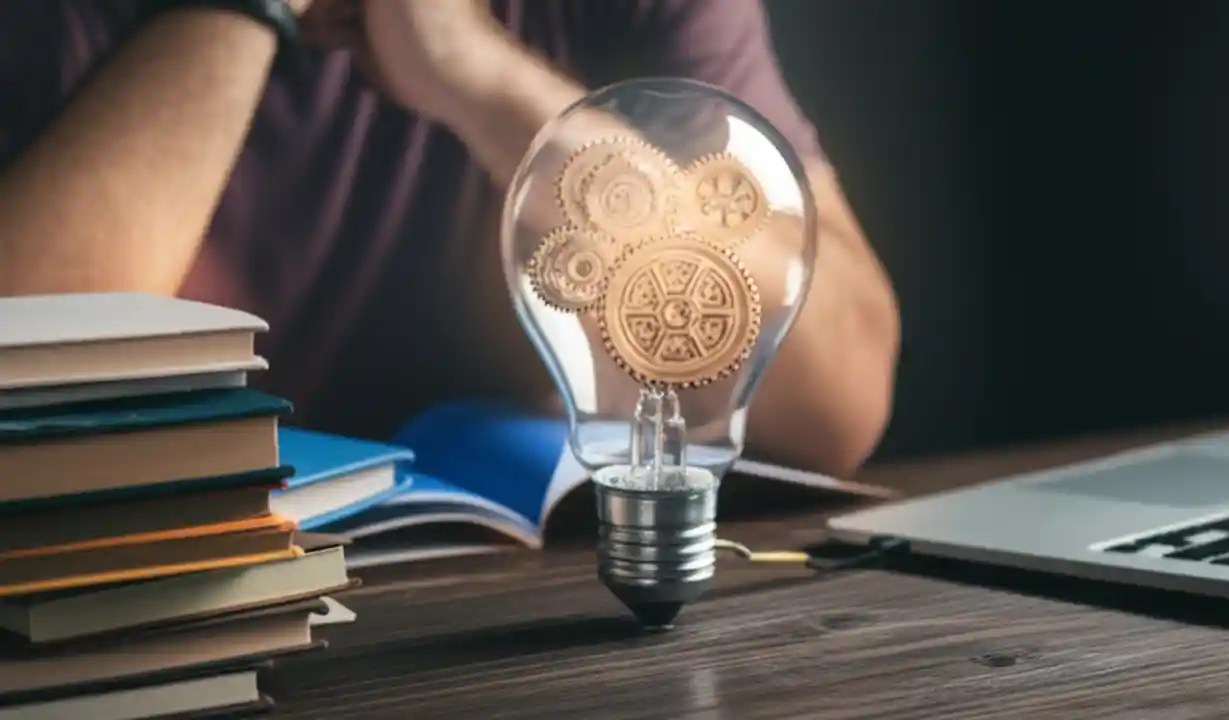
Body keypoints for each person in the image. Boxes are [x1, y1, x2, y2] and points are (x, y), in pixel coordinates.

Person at [0, 0, 899, 478]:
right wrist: (241, 10)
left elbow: (835, 397)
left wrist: (480, 78)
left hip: (500, 622)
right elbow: (24, 383)